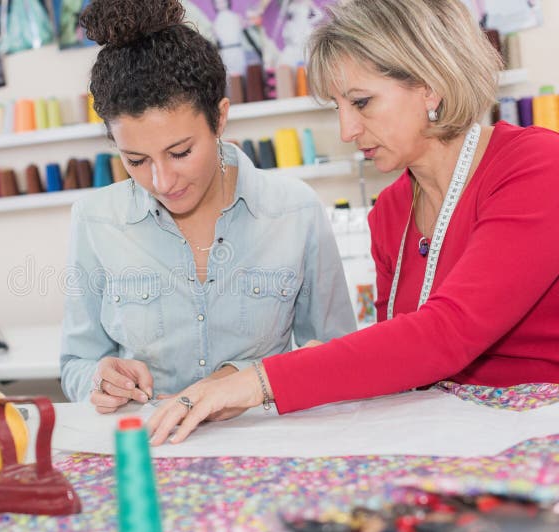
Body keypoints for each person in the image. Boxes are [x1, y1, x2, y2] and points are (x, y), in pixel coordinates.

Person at [147, 0, 559, 445]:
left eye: (362, 102)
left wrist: (259, 382)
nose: (347, 131)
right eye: (338, 107)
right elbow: (404, 354)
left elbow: (448, 333)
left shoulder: (536, 167)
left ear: (430, 86)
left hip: (537, 436)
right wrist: (321, 362)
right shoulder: (393, 211)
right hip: (457, 438)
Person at [60, 0, 355, 413]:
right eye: (136, 160)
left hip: (269, 443)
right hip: (151, 443)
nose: (162, 181)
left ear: (219, 119)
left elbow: (337, 358)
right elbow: (76, 364)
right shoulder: (95, 220)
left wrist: (249, 380)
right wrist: (101, 379)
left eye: (180, 152)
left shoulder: (295, 211)